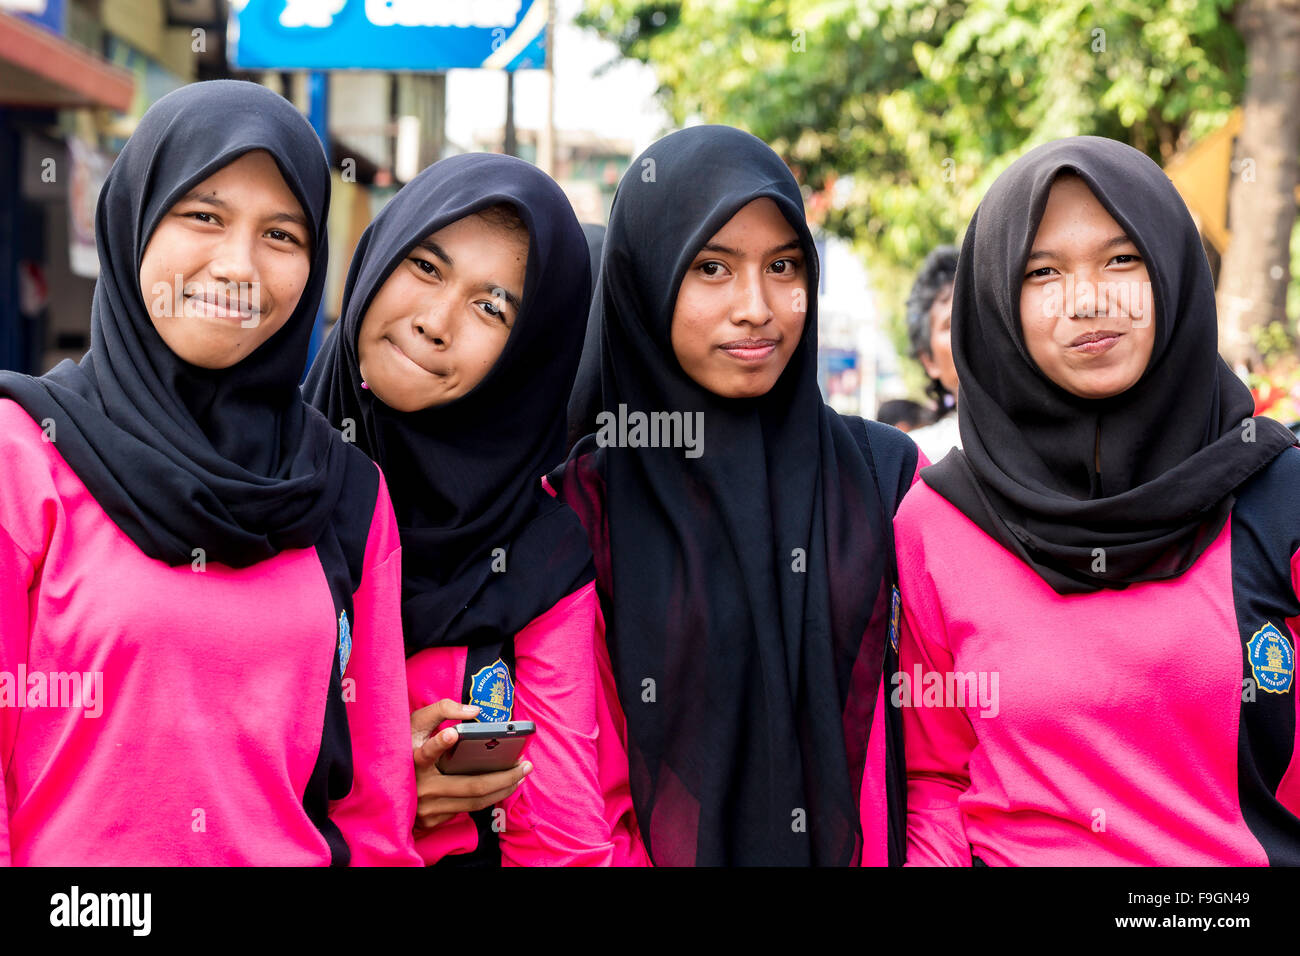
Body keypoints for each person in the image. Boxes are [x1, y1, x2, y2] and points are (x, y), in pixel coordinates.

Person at [0, 80, 419, 865]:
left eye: (283, 235)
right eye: (204, 215)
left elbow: (373, 800)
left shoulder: (347, 492)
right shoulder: (24, 456)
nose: (239, 265)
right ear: (134, 222)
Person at [898, 136, 1300, 866]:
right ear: (996, 299)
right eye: (1043, 271)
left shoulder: (1277, 494)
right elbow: (932, 779)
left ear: (1173, 271)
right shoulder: (937, 525)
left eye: (1122, 260)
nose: (1088, 300)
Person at [552, 125, 921, 866]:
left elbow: (934, 753)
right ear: (647, 279)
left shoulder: (884, 475)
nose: (757, 306)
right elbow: (573, 787)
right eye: (713, 268)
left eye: (783, 265)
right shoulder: (581, 506)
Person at [305, 153, 649, 866]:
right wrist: (377, 781)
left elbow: (560, 834)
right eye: (426, 267)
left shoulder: (541, 554)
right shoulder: (250, 486)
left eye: (491, 307)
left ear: (529, 354)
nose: (435, 322)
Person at [904, 245, 961, 462]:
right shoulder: (916, 459)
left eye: (976, 313)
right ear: (929, 361)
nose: (968, 329)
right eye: (950, 323)